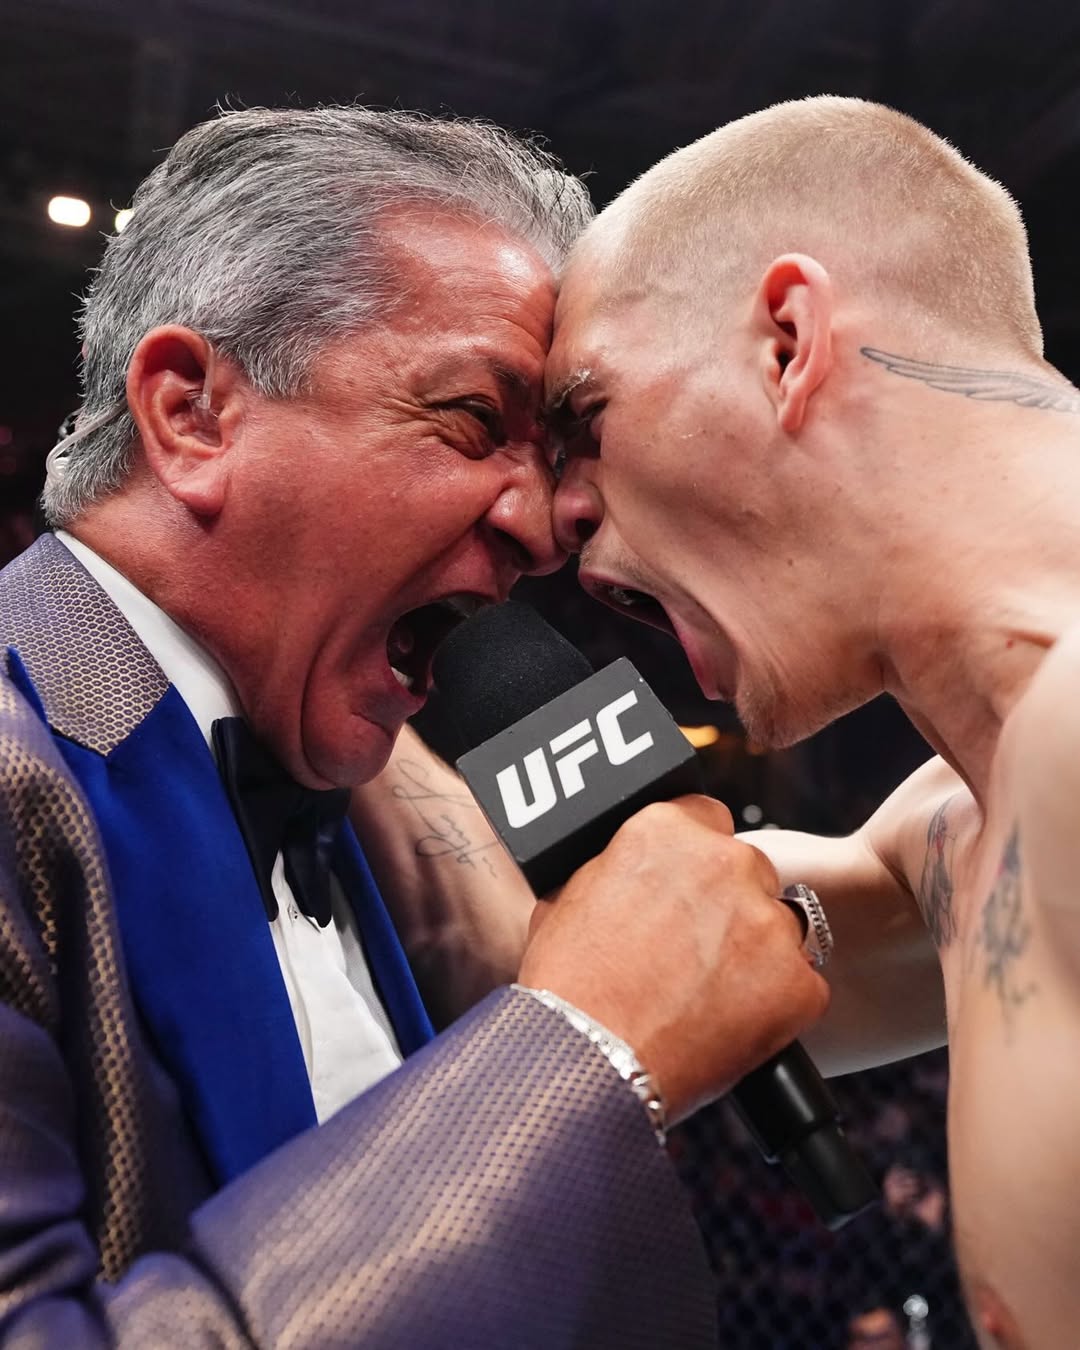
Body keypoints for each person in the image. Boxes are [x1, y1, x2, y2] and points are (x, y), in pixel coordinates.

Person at [0, 105, 828, 1345]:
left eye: (554, 460)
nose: (545, 529)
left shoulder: (364, 786)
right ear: (192, 415)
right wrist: (575, 1050)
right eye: (475, 420)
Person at [547, 94, 1080, 1349]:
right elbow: (622, 956)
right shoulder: (960, 824)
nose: (559, 512)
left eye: (583, 419)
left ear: (787, 342)